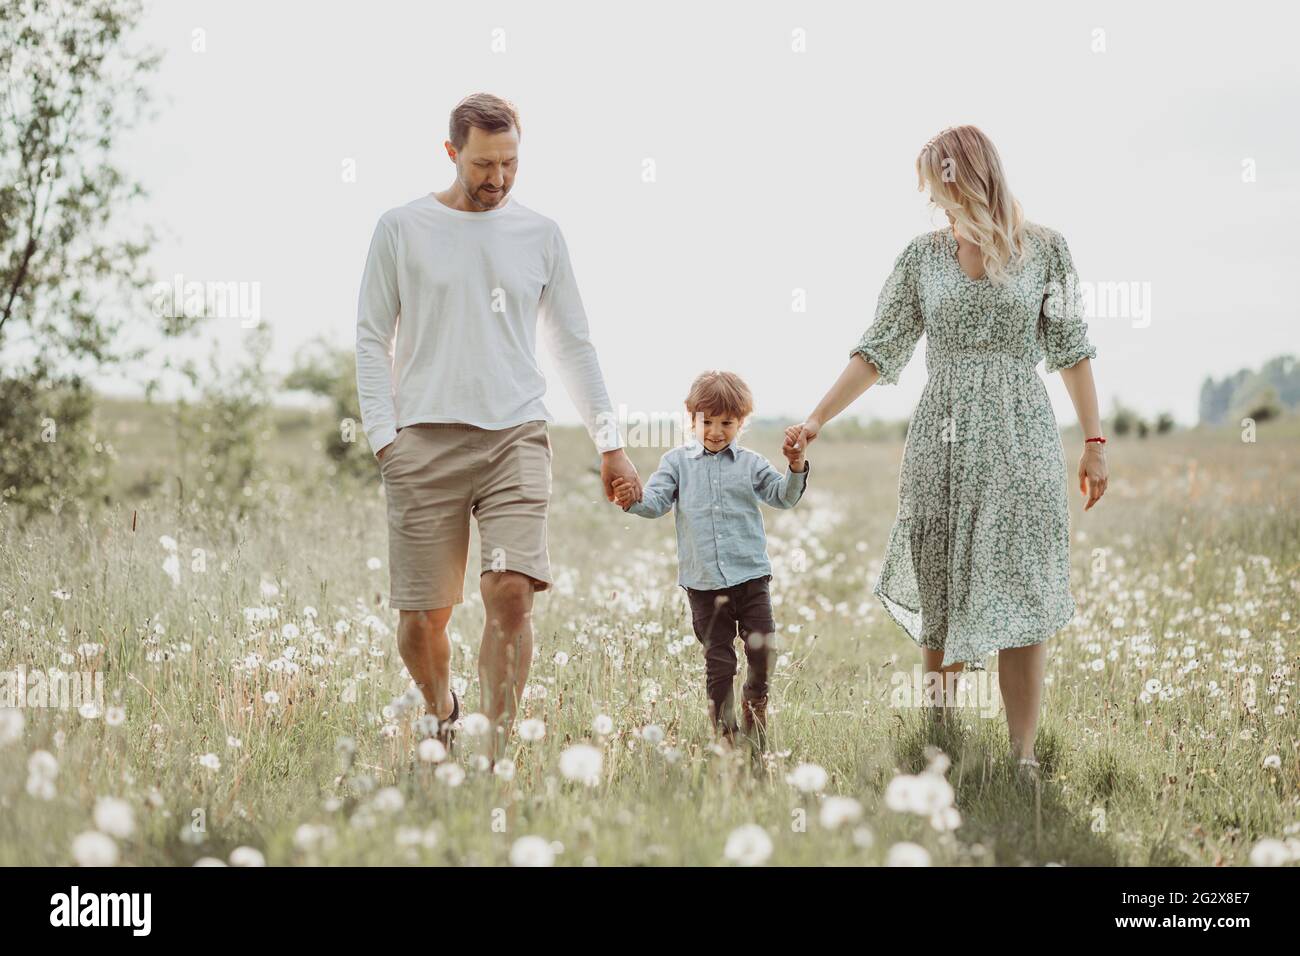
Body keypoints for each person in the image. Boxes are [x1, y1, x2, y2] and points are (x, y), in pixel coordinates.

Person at [784, 125, 1108, 779]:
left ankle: (1021, 757)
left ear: (965, 176)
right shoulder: (921, 257)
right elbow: (878, 348)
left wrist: (1094, 443)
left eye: (938, 185)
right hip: (942, 439)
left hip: (1020, 438)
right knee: (940, 589)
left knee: (1020, 586)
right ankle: (941, 738)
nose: (934, 200)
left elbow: (1073, 349)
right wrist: (817, 416)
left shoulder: (1049, 250)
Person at [355, 92, 642, 756]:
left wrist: (611, 443)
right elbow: (373, 339)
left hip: (516, 435)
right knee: (423, 620)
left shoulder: (540, 234)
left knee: (511, 592)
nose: (498, 179)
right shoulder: (401, 227)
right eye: (484, 164)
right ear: (451, 153)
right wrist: (382, 439)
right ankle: (442, 709)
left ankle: (494, 756)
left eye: (510, 163)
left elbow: (573, 343)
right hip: (421, 440)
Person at [614, 371, 808, 749]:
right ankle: (726, 737)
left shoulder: (750, 464)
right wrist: (631, 499)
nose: (716, 431)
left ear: (741, 422)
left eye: (727, 423)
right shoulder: (676, 463)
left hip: (751, 578)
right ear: (691, 418)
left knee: (763, 648)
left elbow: (783, 497)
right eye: (707, 422)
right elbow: (654, 503)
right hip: (703, 585)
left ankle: (756, 699)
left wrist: (797, 466)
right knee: (719, 663)